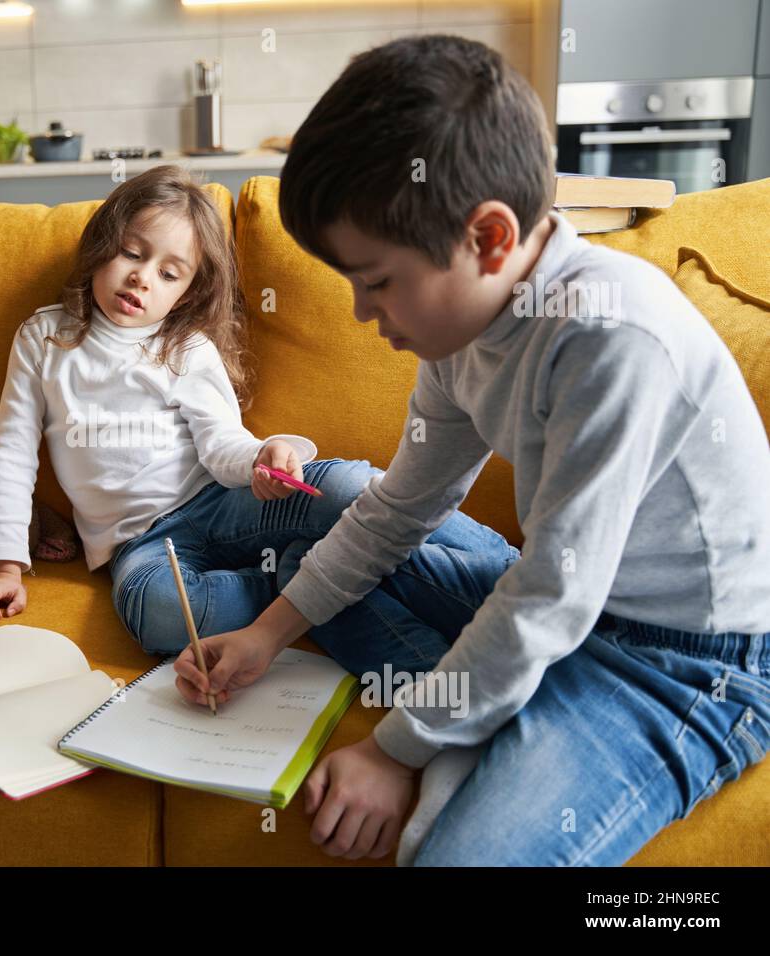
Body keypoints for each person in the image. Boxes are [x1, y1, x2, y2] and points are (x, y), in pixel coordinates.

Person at [170, 34, 770, 866]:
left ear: (489, 239)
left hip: (682, 664)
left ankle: (475, 725)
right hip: (572, 603)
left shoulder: (609, 336)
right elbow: (396, 514)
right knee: (321, 529)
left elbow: (554, 592)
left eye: (375, 280)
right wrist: (266, 636)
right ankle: (484, 710)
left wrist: (394, 750)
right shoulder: (461, 338)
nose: (360, 313)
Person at [0, 164, 491, 660]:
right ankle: (299, 575)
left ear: (188, 294)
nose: (143, 278)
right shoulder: (44, 337)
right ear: (100, 246)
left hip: (223, 501)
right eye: (131, 253)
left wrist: (266, 454)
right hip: (139, 544)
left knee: (352, 488)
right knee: (160, 618)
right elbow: (11, 453)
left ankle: (499, 568)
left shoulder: (185, 347)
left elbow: (222, 444)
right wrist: (3, 568)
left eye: (170, 274)